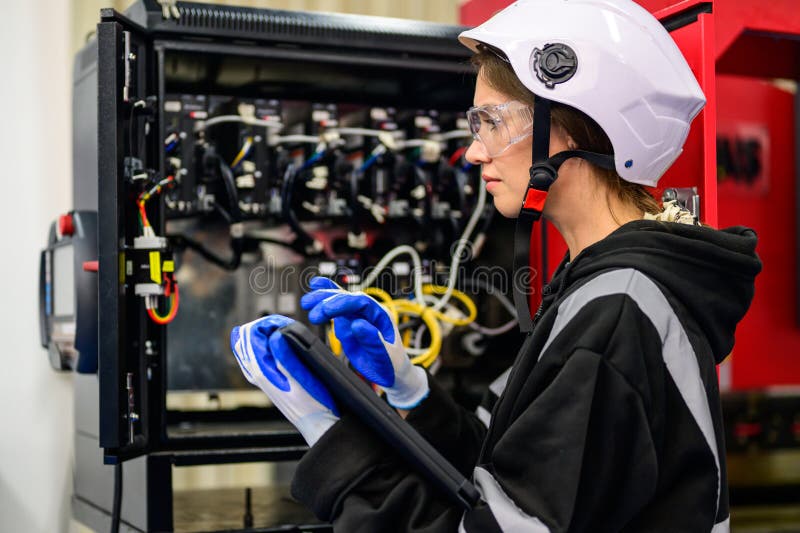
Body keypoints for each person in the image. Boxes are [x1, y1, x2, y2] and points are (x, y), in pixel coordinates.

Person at [230, 0, 761, 530]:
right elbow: (505, 464)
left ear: (574, 128)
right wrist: (410, 391)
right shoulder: (601, 287)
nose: (473, 152)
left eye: (492, 122)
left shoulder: (617, 309)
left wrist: (330, 442)